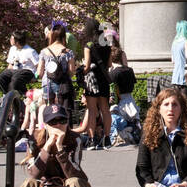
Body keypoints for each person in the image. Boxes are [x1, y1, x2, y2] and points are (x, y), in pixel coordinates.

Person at [78, 18, 113, 148]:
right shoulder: (107, 45)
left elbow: (86, 66)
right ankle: (107, 138)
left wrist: (81, 68)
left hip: (92, 80)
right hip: (104, 79)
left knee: (92, 110)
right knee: (105, 109)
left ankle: (92, 139)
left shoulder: (89, 46)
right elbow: (109, 64)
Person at [38, 24, 76, 118]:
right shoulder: (68, 52)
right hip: (62, 84)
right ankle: (64, 129)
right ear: (64, 36)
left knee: (49, 109)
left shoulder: (44, 51)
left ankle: (49, 130)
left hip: (47, 83)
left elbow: (39, 73)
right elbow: (71, 71)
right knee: (63, 109)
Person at [106, 48, 139, 145]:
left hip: (119, 100)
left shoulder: (112, 73)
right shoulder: (129, 70)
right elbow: (133, 85)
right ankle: (133, 134)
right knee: (132, 120)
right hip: (129, 98)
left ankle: (118, 137)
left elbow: (112, 88)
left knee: (117, 119)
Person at [170, 20, 187, 87]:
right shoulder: (186, 42)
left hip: (175, 76)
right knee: (185, 97)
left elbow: (173, 61)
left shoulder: (174, 42)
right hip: (185, 75)